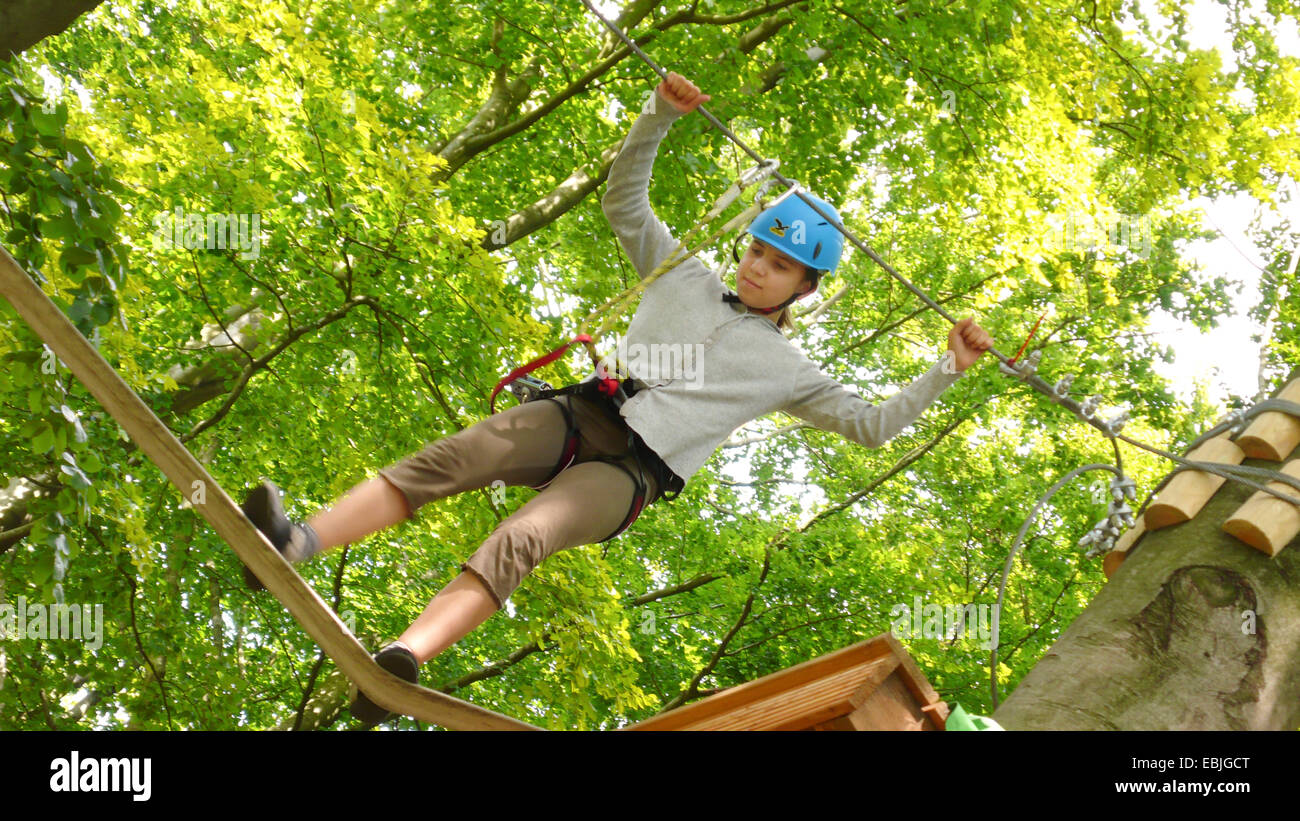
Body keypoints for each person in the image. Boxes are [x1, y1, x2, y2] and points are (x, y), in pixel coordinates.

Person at [238, 72, 994, 729]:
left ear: (805, 287)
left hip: (631, 472)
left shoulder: (786, 367)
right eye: (759, 249)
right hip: (582, 412)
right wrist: (657, 116)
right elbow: (623, 199)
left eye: (782, 264)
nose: (761, 267)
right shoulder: (681, 272)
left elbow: (870, 425)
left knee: (523, 537)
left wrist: (947, 369)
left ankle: (403, 659)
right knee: (452, 458)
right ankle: (297, 540)